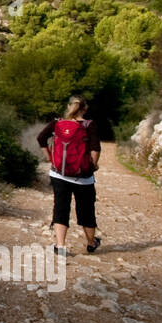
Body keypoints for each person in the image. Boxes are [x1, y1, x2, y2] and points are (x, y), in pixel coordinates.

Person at [36, 95, 101, 255]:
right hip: (83, 178)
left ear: (69, 106)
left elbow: (41, 138)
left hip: (58, 174)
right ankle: (91, 243)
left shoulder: (57, 123)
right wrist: (93, 165)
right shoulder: (89, 125)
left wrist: (50, 158)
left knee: (60, 208)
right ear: (85, 108)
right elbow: (95, 149)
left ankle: (61, 245)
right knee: (86, 210)